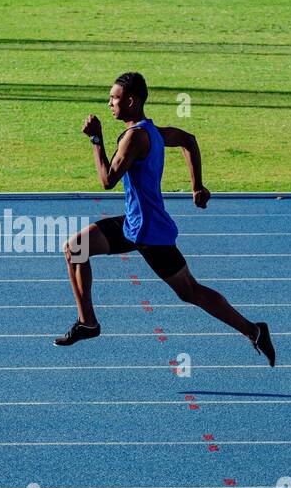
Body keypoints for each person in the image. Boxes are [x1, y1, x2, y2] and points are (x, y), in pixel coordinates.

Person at [54, 72, 275, 366]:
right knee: (75, 248)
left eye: (114, 98)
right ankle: (88, 323)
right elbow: (189, 140)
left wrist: (96, 139)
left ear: (131, 101)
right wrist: (197, 185)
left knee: (190, 291)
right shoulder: (154, 131)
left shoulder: (134, 138)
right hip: (134, 223)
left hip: (148, 232)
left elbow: (107, 180)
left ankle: (253, 330)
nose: (109, 104)